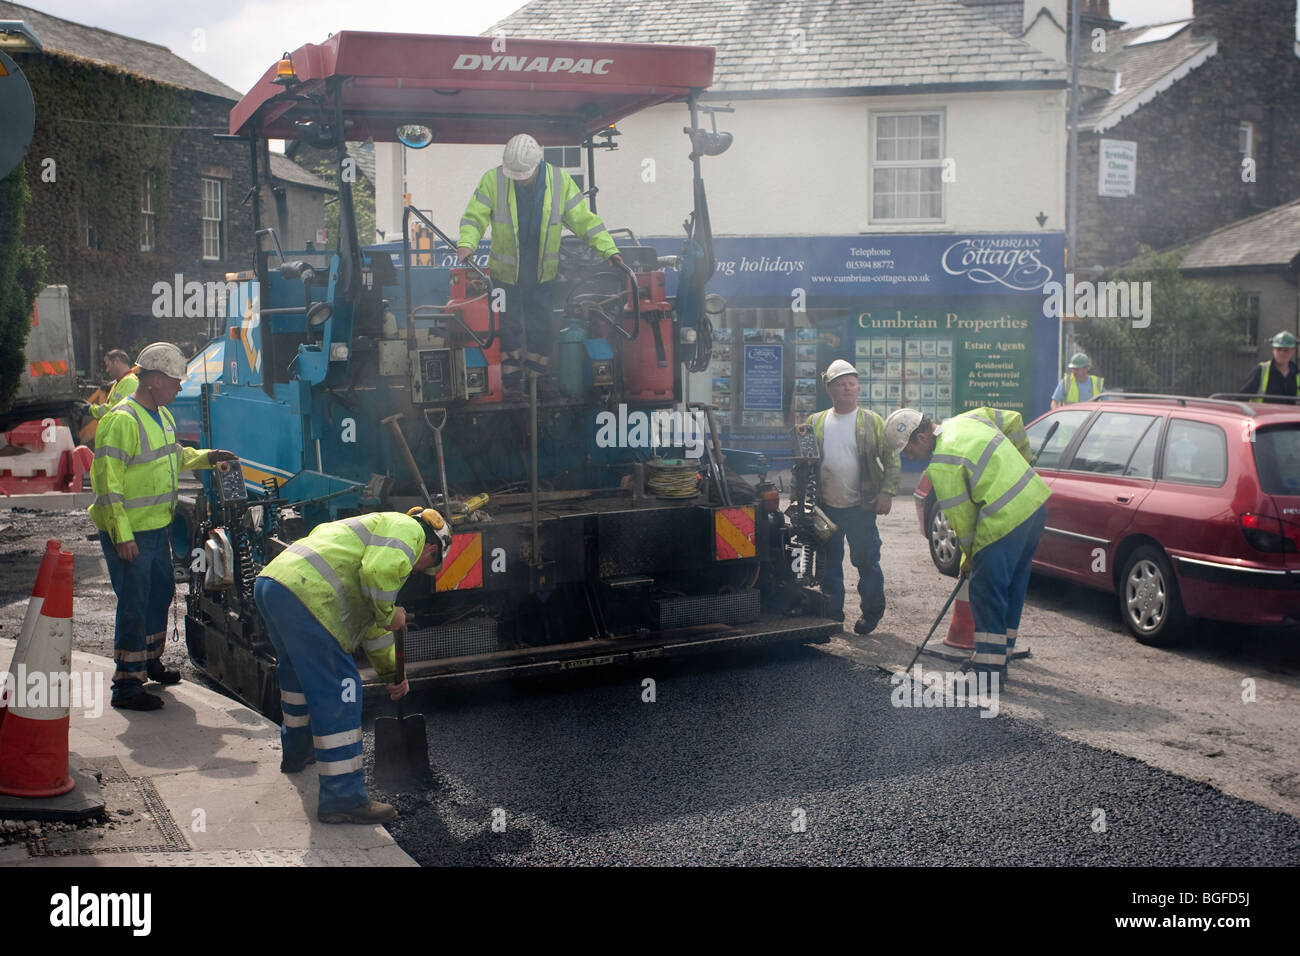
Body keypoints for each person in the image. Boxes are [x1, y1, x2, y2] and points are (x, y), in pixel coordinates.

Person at [253, 508, 452, 825]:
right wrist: (391, 615)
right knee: (341, 688)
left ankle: (296, 752)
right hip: (308, 596)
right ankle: (343, 798)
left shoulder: (373, 530)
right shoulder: (408, 531)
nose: (418, 571)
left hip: (273, 585)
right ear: (432, 548)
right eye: (429, 566)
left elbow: (372, 630)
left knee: (296, 678)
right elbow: (376, 575)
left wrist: (392, 676)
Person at [89, 343, 237, 711]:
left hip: (156, 529)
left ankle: (148, 661)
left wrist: (207, 457)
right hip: (132, 534)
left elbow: (174, 456)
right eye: (174, 382)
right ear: (154, 381)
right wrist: (122, 536)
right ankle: (126, 684)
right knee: (135, 603)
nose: (179, 388)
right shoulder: (122, 420)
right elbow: (108, 484)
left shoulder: (161, 416)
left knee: (160, 591)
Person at [885, 407, 1050, 679]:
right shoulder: (965, 420)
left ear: (922, 438)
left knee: (986, 589)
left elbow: (965, 525)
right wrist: (1023, 463)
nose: (908, 457)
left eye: (907, 450)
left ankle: (988, 669)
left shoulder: (942, 466)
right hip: (1033, 504)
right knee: (1013, 586)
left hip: (1004, 518)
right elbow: (1014, 420)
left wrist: (969, 561)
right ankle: (1002, 654)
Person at [457, 133, 624, 396]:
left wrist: (609, 249)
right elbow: (474, 217)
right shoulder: (493, 180)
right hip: (504, 276)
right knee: (506, 326)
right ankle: (510, 384)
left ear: (538, 164)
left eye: (524, 173)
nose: (519, 179)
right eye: (515, 174)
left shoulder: (560, 182)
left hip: (542, 275)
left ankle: (538, 381)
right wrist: (467, 243)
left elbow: (585, 221)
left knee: (542, 326)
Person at [804, 359, 900, 635]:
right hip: (826, 506)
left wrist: (887, 493)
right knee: (829, 563)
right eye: (840, 384)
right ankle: (833, 614)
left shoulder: (873, 422)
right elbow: (804, 465)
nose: (847, 388)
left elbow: (892, 459)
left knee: (866, 561)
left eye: (851, 383)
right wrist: (804, 500)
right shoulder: (816, 422)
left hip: (861, 506)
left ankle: (871, 614)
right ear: (829, 390)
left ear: (858, 389)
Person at [1240, 330, 1298, 403]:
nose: (1282, 353)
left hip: (1289, 414)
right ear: (1273, 350)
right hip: (1263, 413)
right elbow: (1241, 397)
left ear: (1292, 351)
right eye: (1278, 349)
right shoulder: (1260, 371)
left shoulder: (1297, 374)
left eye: (1286, 350)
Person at [89, 349, 138, 419]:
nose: (107, 370)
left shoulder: (129, 382)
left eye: (108, 365)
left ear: (116, 361)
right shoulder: (120, 383)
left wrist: (90, 409)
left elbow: (112, 410)